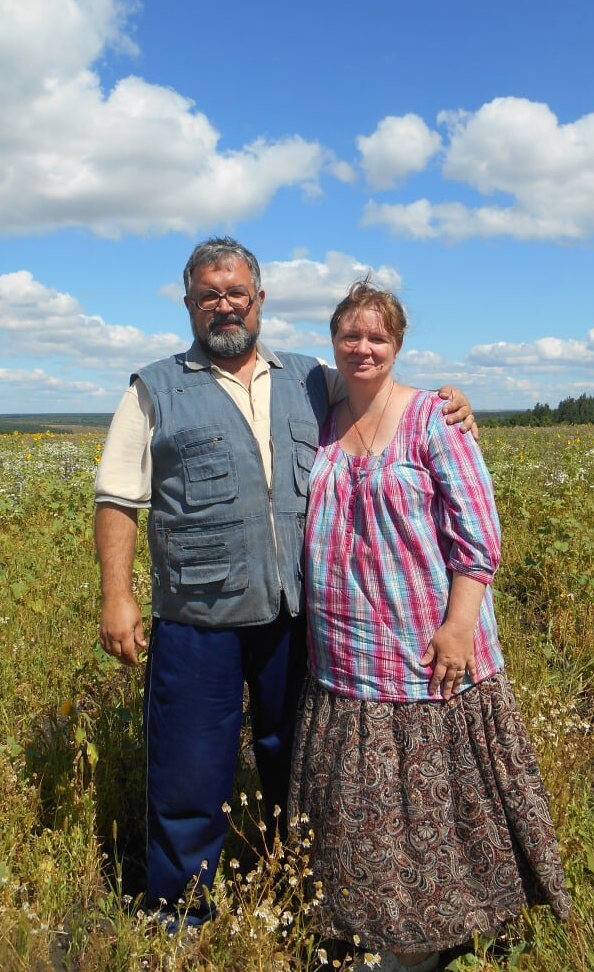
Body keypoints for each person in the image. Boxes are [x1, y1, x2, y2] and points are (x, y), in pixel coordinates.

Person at [94, 238, 476, 927]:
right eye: (209, 294)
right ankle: (183, 913)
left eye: (236, 292)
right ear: (188, 304)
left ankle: (299, 891)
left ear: (260, 299)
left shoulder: (307, 379)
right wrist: (117, 596)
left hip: (297, 614)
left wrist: (447, 401)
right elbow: (118, 497)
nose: (224, 305)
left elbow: (376, 391)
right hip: (197, 615)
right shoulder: (154, 388)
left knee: (296, 761)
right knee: (189, 769)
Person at [288, 280, 570, 972]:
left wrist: (459, 625)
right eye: (350, 335)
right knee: (366, 813)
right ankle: (366, 922)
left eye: (377, 336)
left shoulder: (433, 419)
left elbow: (478, 536)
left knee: (436, 810)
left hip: (427, 647)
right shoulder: (321, 417)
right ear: (333, 342)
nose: (363, 347)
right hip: (346, 656)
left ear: (398, 344)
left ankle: (440, 935)